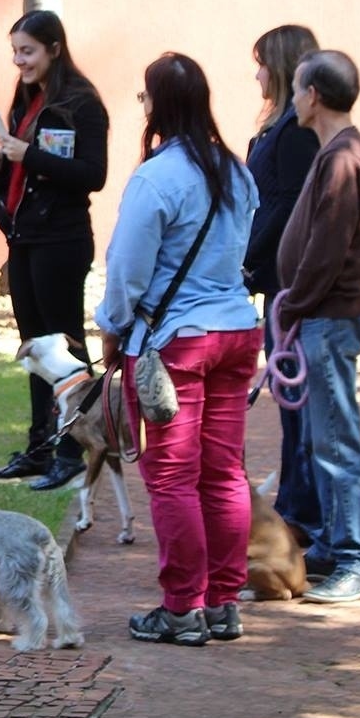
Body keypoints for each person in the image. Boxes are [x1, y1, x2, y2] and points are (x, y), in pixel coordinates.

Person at [95, 53, 262, 647]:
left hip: (173, 344)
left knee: (171, 478)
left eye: (144, 98)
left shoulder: (157, 177)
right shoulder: (237, 172)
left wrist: (112, 329)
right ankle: (222, 603)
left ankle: (182, 607)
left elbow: (126, 269)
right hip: (236, 333)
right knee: (222, 475)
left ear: (157, 105)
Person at [0, 10, 109, 491]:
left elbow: (91, 175)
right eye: (15, 51)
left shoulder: (82, 103)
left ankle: (73, 447)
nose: (20, 61)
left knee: (65, 346)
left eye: (28, 51)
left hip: (62, 238)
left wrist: (26, 155)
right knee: (35, 348)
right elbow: (30, 171)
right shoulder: (29, 97)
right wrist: (1, 163)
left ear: (54, 48)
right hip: (26, 235)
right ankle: (39, 445)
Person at [275, 49, 360, 605]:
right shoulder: (337, 152)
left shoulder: (342, 158)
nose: (292, 98)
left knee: (338, 443)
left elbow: (327, 249)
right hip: (321, 316)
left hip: (328, 318)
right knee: (323, 439)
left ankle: (354, 561)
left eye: (296, 88)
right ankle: (331, 547)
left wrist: (294, 304)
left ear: (314, 95)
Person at [242, 25, 322, 546]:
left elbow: (285, 205)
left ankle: (306, 512)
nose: (257, 74)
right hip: (273, 277)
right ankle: (294, 502)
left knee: (298, 399)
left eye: (262, 63)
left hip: (284, 277)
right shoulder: (279, 123)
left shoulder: (294, 131)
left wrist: (248, 261)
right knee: (286, 397)